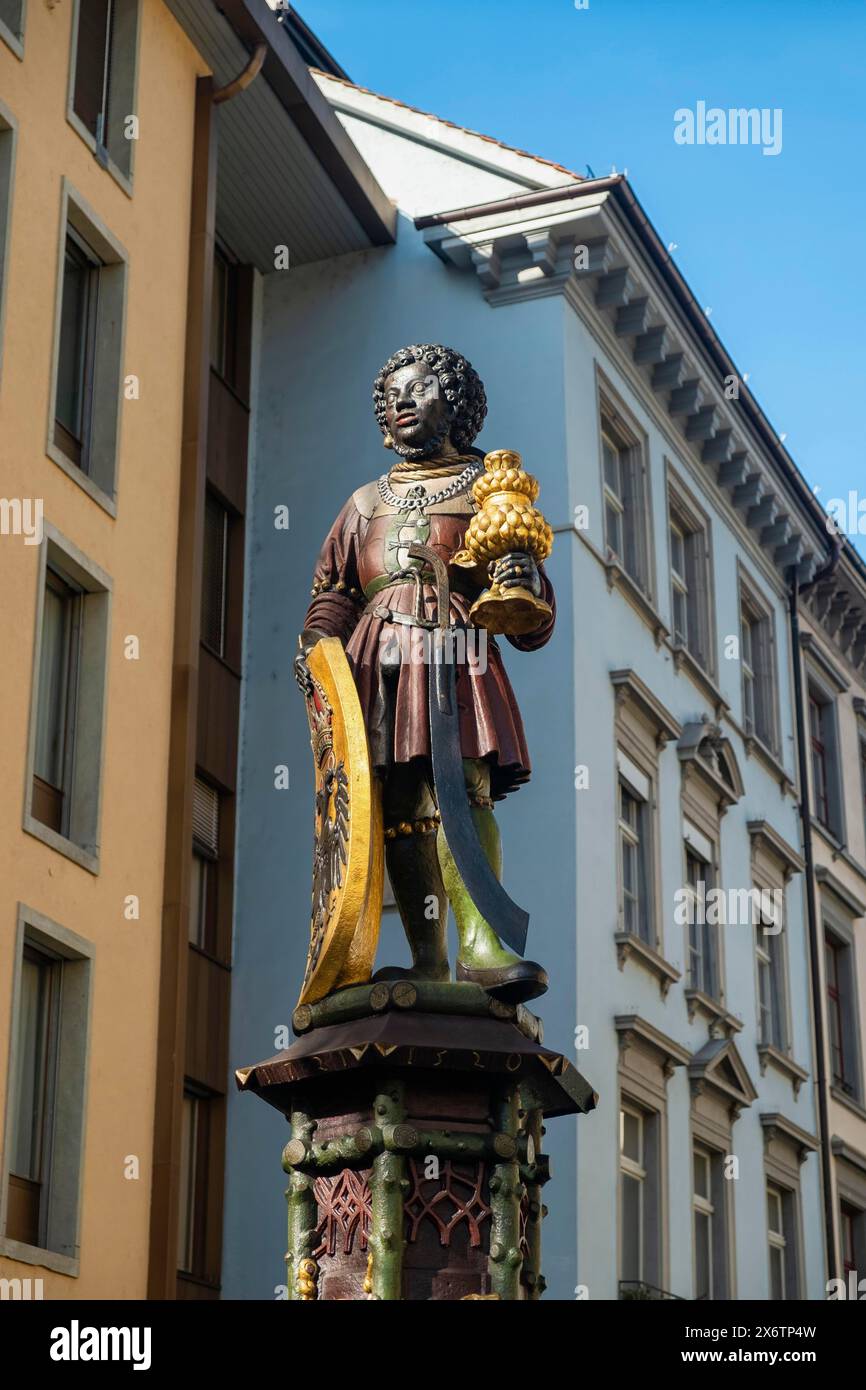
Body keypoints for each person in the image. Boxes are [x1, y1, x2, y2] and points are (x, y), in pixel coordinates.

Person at [295, 345, 553, 1003]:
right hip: (377, 657)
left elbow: (527, 606)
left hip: (456, 647)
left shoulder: (489, 486)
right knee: (402, 809)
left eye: (419, 389)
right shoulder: (363, 502)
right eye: (393, 395)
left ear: (456, 402)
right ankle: (427, 958)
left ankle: (484, 942)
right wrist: (319, 643)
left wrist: (523, 585)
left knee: (463, 791)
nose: (402, 402)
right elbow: (335, 588)